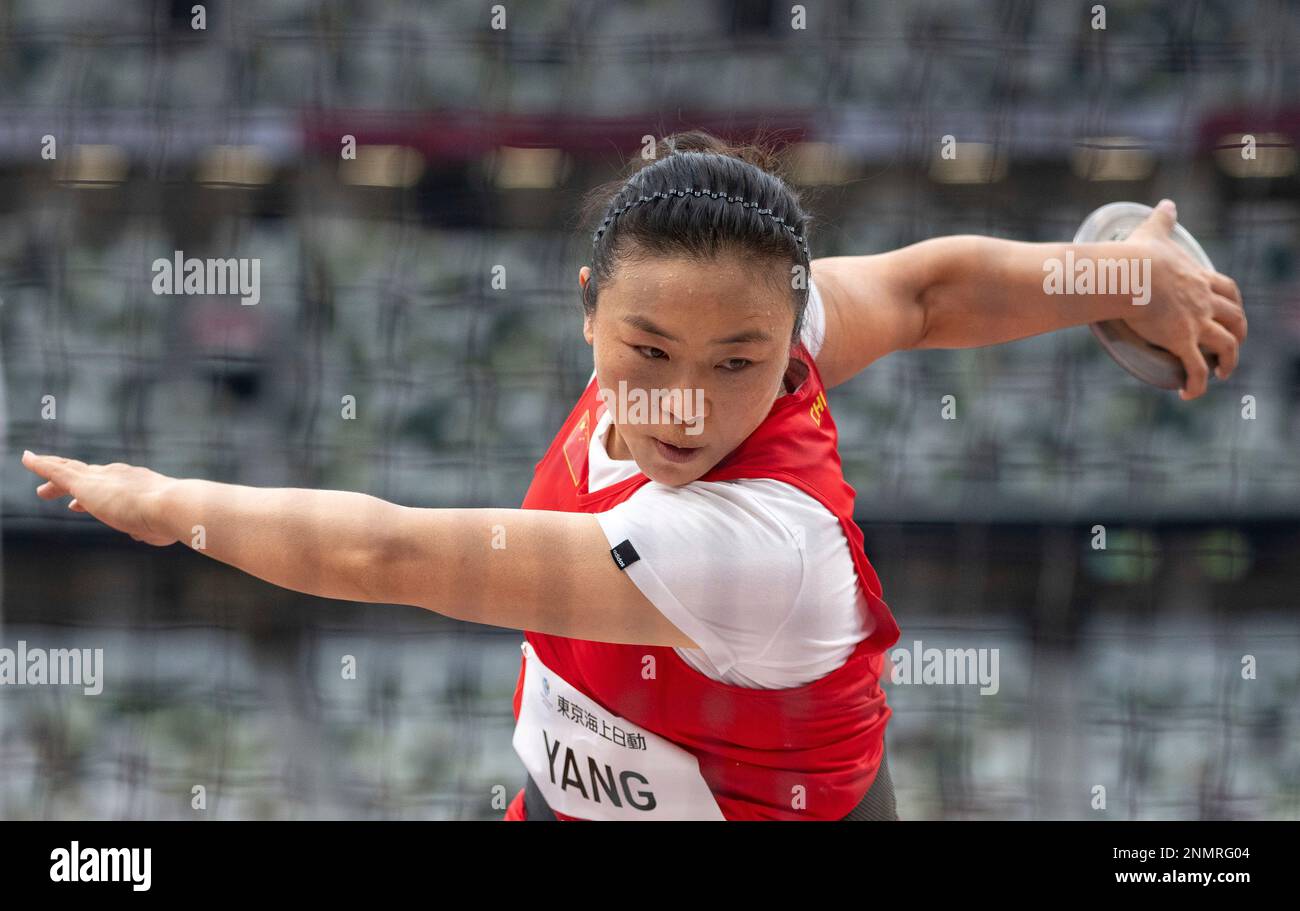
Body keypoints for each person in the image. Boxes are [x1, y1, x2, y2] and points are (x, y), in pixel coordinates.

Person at [21, 131, 1246, 821]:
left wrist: (162, 498)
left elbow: (383, 553)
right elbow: (928, 291)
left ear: (787, 345)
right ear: (588, 311)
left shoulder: (759, 543)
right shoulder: (744, 315)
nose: (687, 401)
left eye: (738, 363)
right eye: (649, 351)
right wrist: (1110, 276)